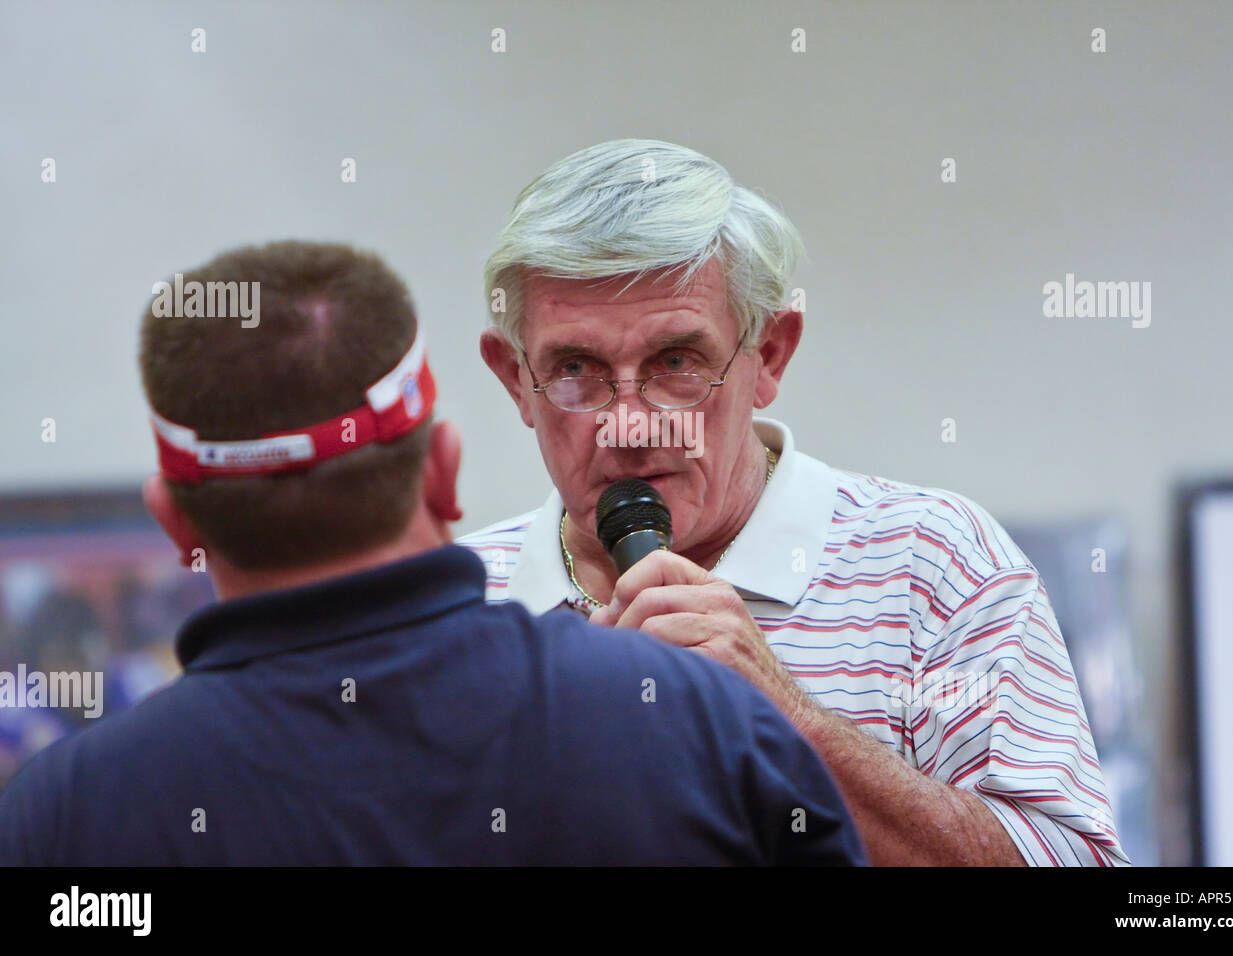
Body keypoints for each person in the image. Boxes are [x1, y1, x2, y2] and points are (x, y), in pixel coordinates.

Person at [0, 240, 865, 866]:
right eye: (577, 370)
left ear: (176, 524)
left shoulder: (60, 819)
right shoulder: (698, 722)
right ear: (444, 473)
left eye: (677, 361)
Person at [460, 139, 1131, 866]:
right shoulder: (454, 606)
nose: (629, 424)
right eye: (575, 369)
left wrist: (787, 722)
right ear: (512, 378)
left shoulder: (935, 564)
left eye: (677, 363)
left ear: (770, 355)